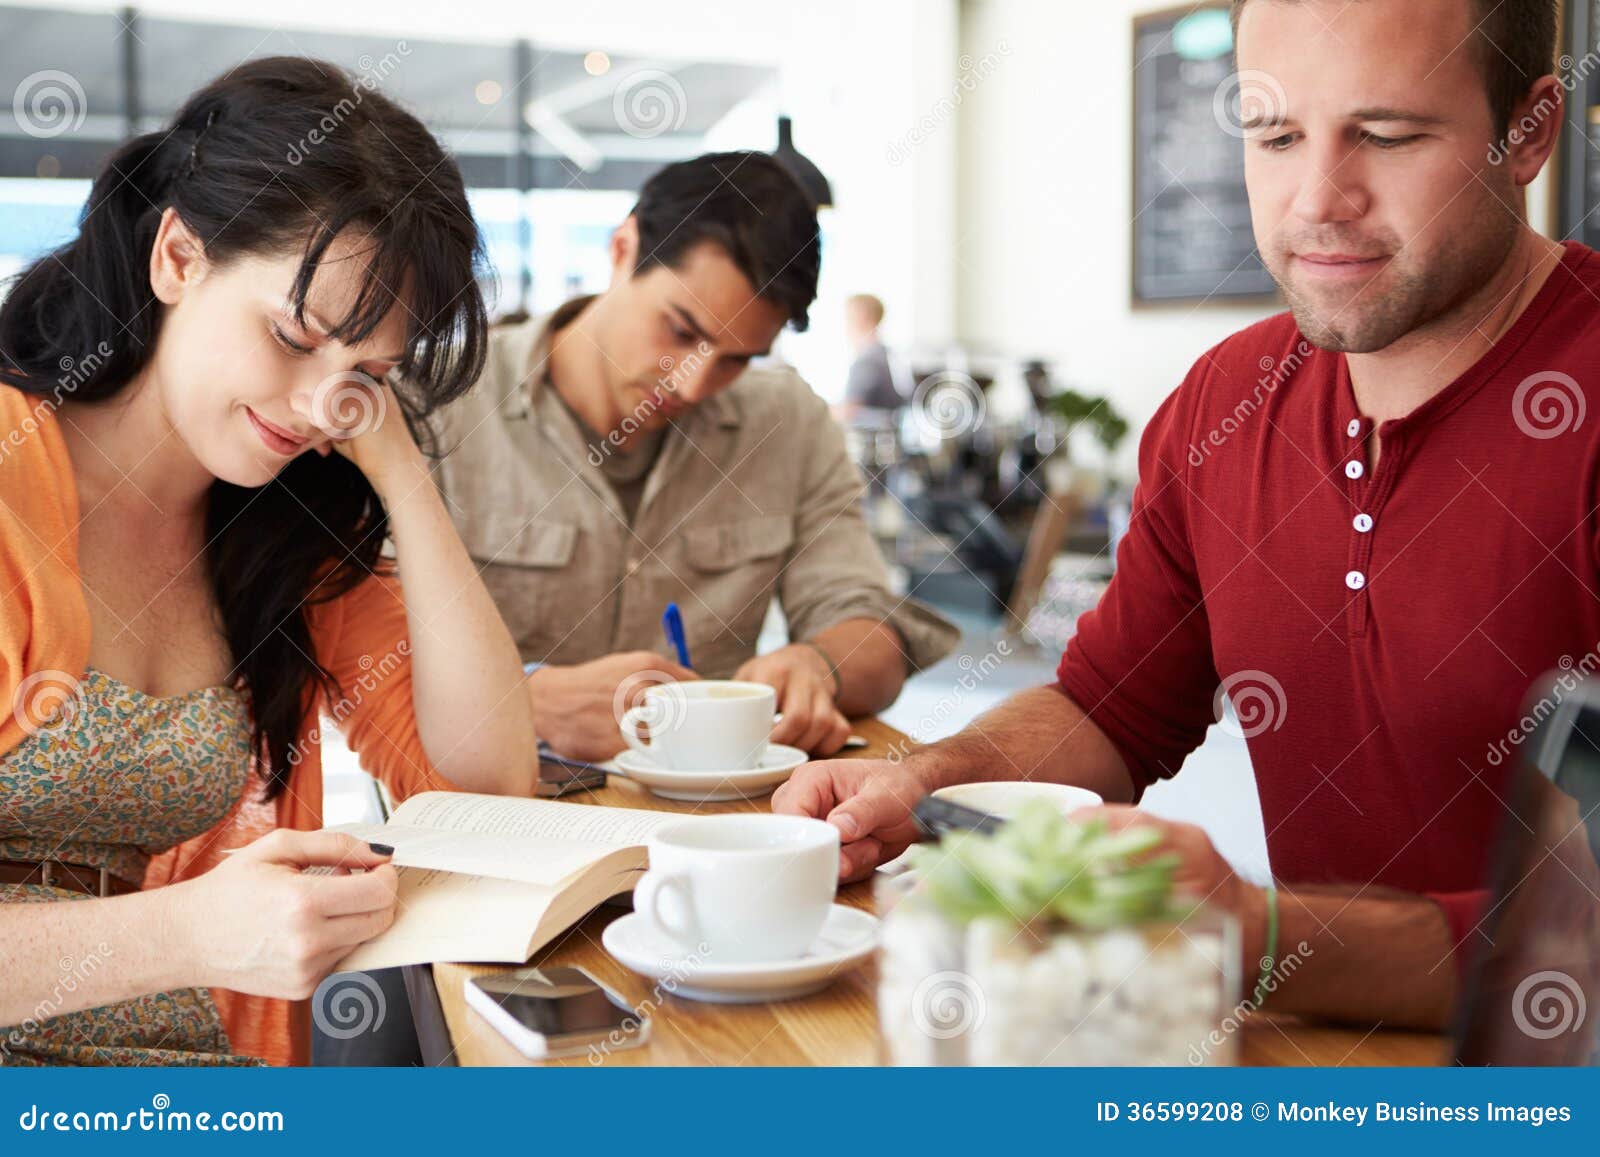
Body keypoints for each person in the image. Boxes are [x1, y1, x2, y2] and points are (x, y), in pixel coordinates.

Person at [778, 0, 1591, 1030]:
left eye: (1386, 136)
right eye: (1275, 136)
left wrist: (1248, 932)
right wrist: (927, 780)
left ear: (1530, 134)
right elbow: (1106, 708)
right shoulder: (1226, 402)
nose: (1317, 200)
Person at [0, 58, 538, 1067]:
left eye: (368, 375)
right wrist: (189, 932)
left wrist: (400, 470)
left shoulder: (275, 535)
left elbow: (489, 787)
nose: (317, 404)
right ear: (177, 257)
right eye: (293, 336)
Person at [435, 153, 957, 762]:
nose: (692, 383)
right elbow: (358, 657)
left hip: (707, 821)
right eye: (682, 331)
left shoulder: (786, 422)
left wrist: (820, 665)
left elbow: (869, 626)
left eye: (737, 358)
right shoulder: (441, 403)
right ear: (623, 248)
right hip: (493, 818)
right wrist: (522, 697)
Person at [838, 293, 907, 420]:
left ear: (862, 317)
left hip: (874, 436)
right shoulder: (886, 354)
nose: (845, 326)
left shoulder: (867, 361)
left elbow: (848, 411)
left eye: (848, 318)